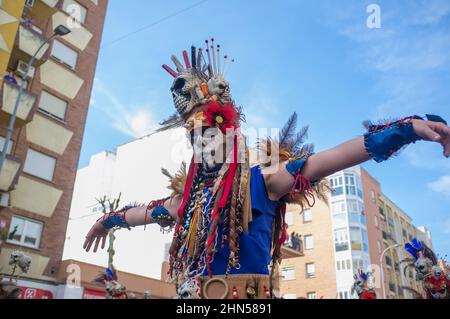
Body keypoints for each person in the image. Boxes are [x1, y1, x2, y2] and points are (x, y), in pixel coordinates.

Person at [83, 40, 450, 299]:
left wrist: (408, 128)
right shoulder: (188, 202)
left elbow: (332, 157)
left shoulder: (265, 181)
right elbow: (142, 213)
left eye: (215, 132)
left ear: (232, 134)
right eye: (197, 136)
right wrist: (107, 220)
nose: (207, 142)